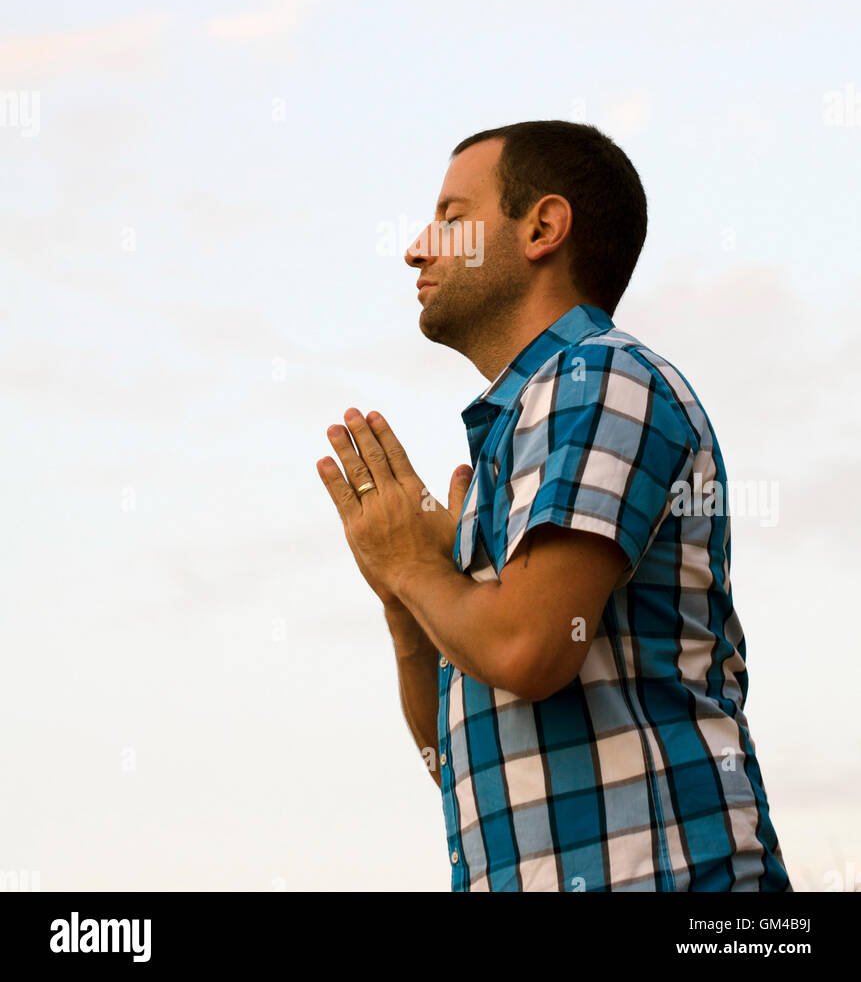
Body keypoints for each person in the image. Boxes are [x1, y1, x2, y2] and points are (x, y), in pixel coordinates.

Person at [316, 119, 792, 893]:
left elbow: (527, 653)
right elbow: (453, 761)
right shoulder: (526, 427)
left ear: (541, 227)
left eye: (449, 217)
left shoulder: (599, 379)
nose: (415, 248)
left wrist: (411, 563)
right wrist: (407, 596)